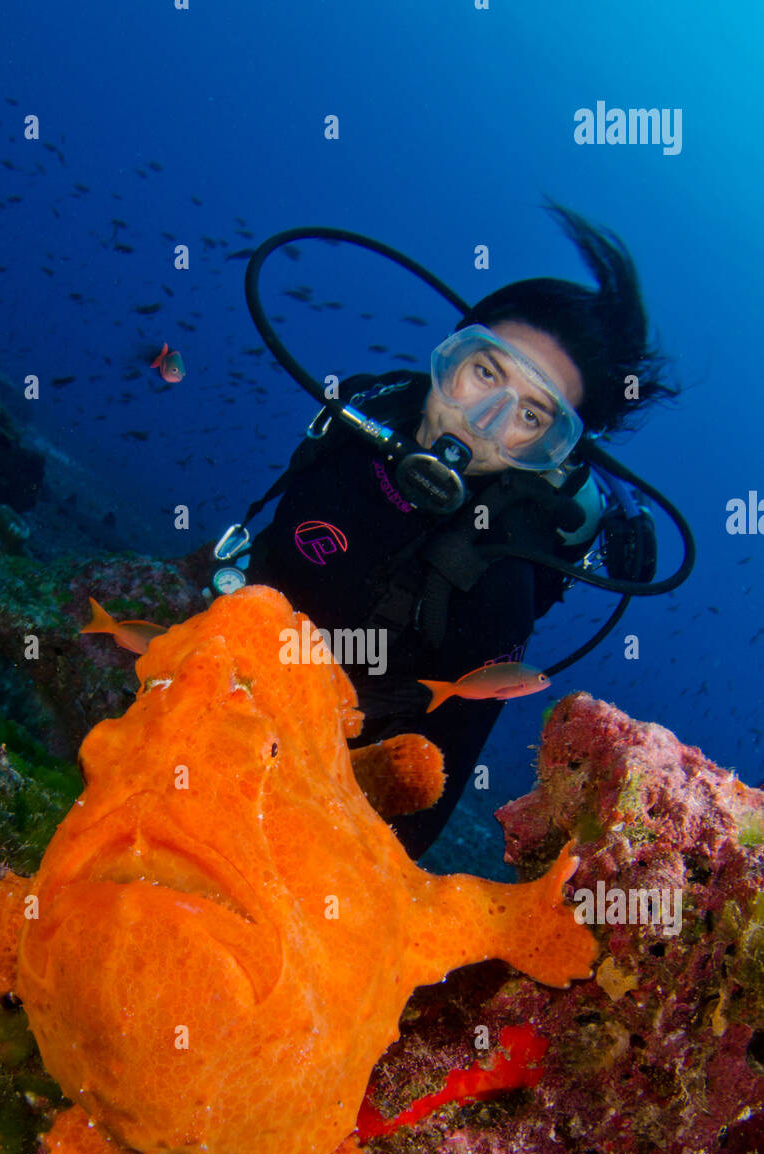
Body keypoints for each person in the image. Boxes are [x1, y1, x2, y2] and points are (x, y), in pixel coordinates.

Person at [246, 202, 679, 858]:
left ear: (551, 450)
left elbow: (418, 816)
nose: (479, 421)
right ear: (450, 354)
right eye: (484, 373)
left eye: (529, 416)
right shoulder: (355, 417)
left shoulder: (494, 587)